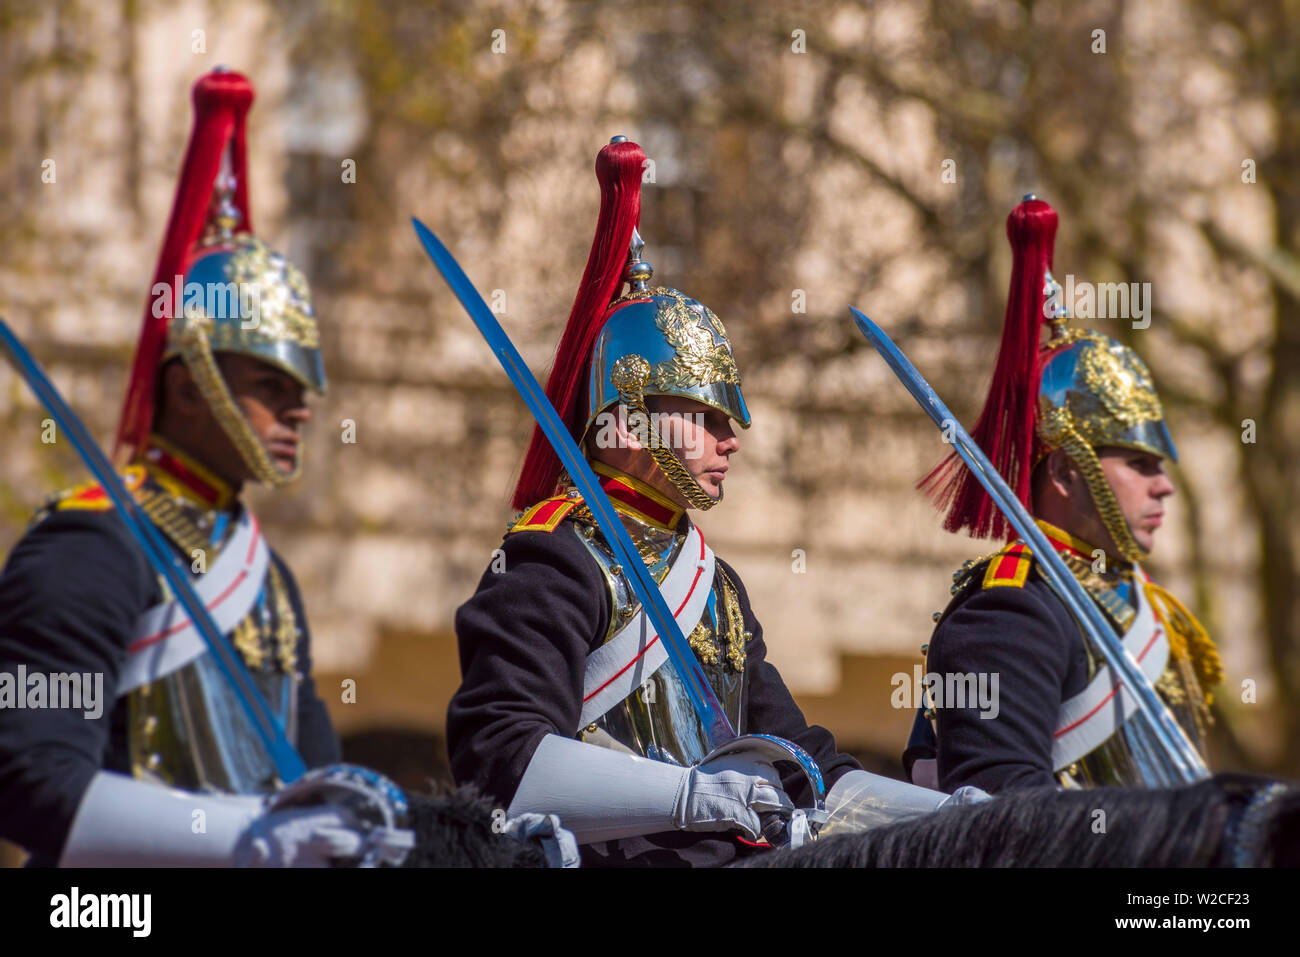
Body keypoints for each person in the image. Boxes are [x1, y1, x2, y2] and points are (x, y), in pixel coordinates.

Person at [446, 137, 969, 868]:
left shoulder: (712, 581)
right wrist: (691, 796)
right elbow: (503, 761)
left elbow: (805, 764)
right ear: (628, 420)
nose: (733, 439)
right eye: (709, 418)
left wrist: (946, 817)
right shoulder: (551, 556)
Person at [0, 68, 406, 867]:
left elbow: (323, 782)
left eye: (303, 391)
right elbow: (25, 771)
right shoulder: (88, 546)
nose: (300, 411)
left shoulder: (269, 576)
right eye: (270, 386)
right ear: (188, 386)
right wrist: (250, 839)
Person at [902, 196, 1223, 795]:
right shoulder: (1010, 612)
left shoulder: (1138, 601)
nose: (1165, 485)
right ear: (1067, 473)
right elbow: (1008, 815)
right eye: (1139, 463)